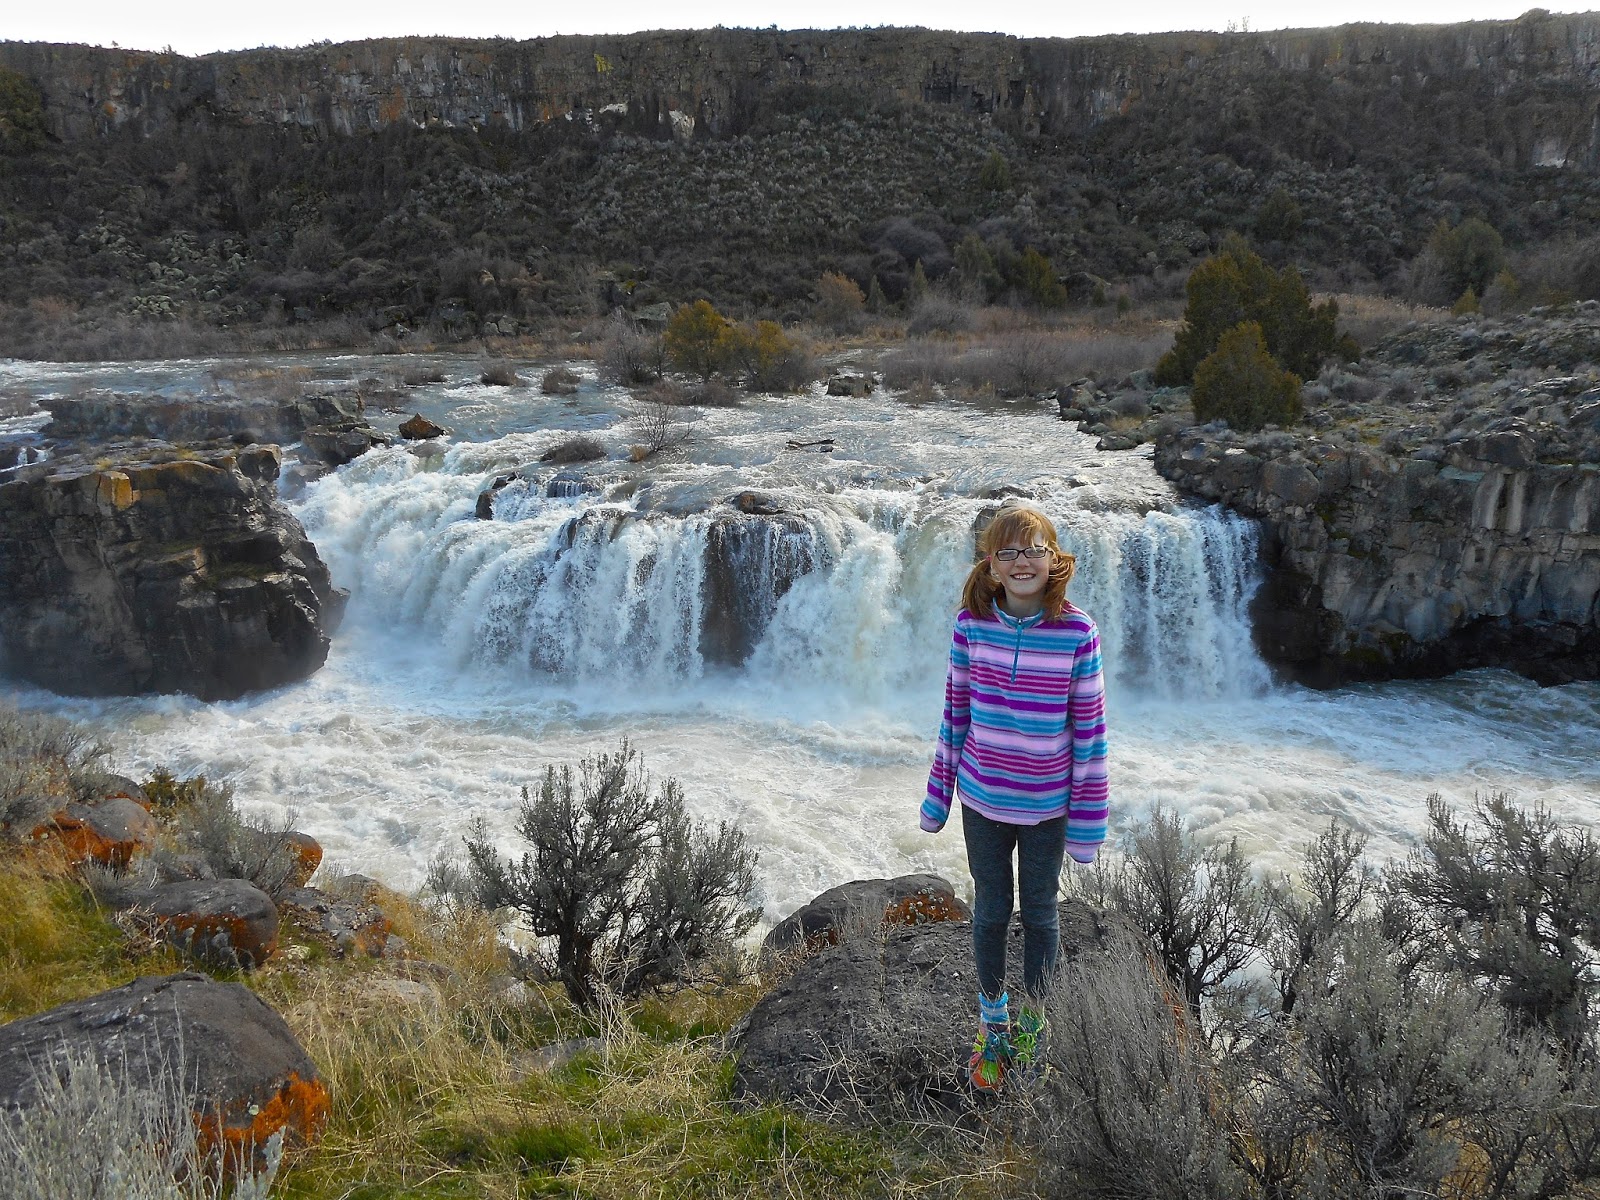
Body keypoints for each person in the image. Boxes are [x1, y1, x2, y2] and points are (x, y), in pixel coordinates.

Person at [921, 505, 1109, 1092]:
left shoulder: (1078, 633)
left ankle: (1034, 1025)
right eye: (1008, 552)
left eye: (1034, 549)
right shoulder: (970, 626)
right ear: (992, 564)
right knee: (992, 911)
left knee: (1043, 913)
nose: (1022, 561)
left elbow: (1092, 736)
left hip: (1048, 806)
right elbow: (954, 714)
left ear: (1054, 559)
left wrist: (1086, 823)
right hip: (982, 799)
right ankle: (993, 1025)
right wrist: (938, 796)